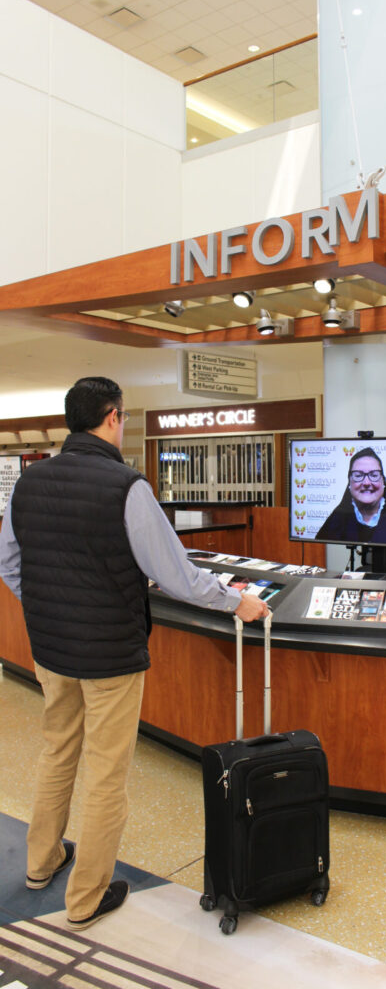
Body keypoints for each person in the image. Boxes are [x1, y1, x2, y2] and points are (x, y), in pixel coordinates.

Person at [0, 376, 267, 931]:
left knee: (56, 752)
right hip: (110, 656)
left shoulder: (28, 483)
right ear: (113, 417)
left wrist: (50, 604)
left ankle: (41, 862)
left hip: (50, 649)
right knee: (105, 772)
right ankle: (85, 898)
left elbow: (9, 563)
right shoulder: (126, 486)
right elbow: (175, 574)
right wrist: (235, 602)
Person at [315, 446, 386, 547]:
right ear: (349, 483)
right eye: (358, 475)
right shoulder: (335, 522)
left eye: (374, 475)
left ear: (383, 482)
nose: (366, 483)